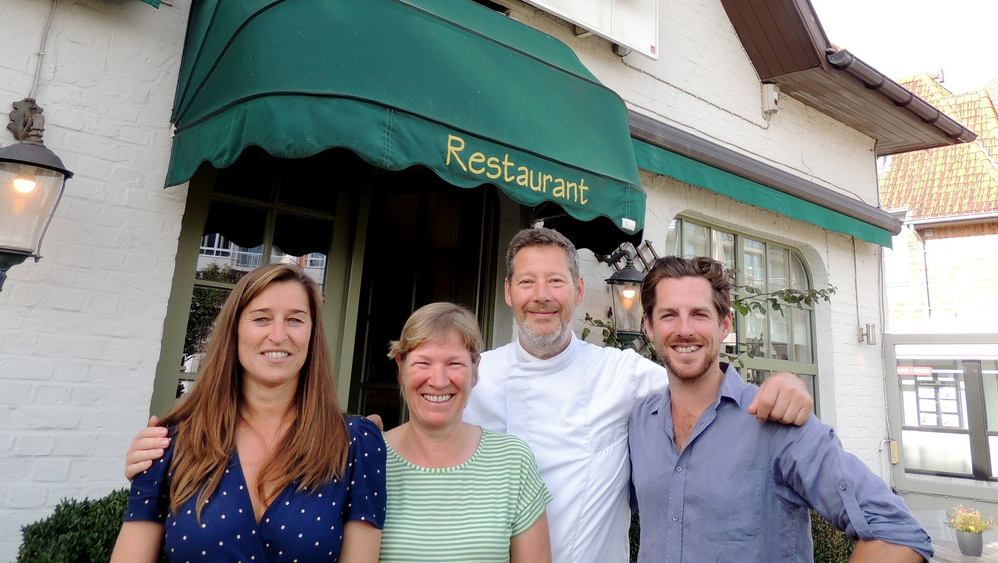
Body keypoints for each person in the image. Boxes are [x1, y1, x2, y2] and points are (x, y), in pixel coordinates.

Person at [126, 227, 812, 563]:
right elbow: (412, 434)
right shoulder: (470, 377)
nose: (542, 296)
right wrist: (359, 434)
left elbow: (701, 375)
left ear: (579, 293)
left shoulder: (623, 376)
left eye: (556, 282)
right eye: (527, 282)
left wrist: (776, 385)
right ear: (509, 293)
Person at [628, 256, 933, 563]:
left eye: (699, 314)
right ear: (649, 327)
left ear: (724, 325)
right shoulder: (639, 424)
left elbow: (898, 532)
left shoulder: (776, 422)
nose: (684, 329)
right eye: (669, 315)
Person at [110, 263, 385, 563]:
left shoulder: (356, 443)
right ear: (235, 329)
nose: (278, 335)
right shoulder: (170, 443)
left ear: (312, 334)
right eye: (261, 318)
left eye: (295, 319)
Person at [381, 302, 551, 562]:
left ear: (475, 370)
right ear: (401, 368)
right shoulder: (368, 459)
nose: (438, 381)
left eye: (454, 364)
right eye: (423, 363)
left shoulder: (512, 462)